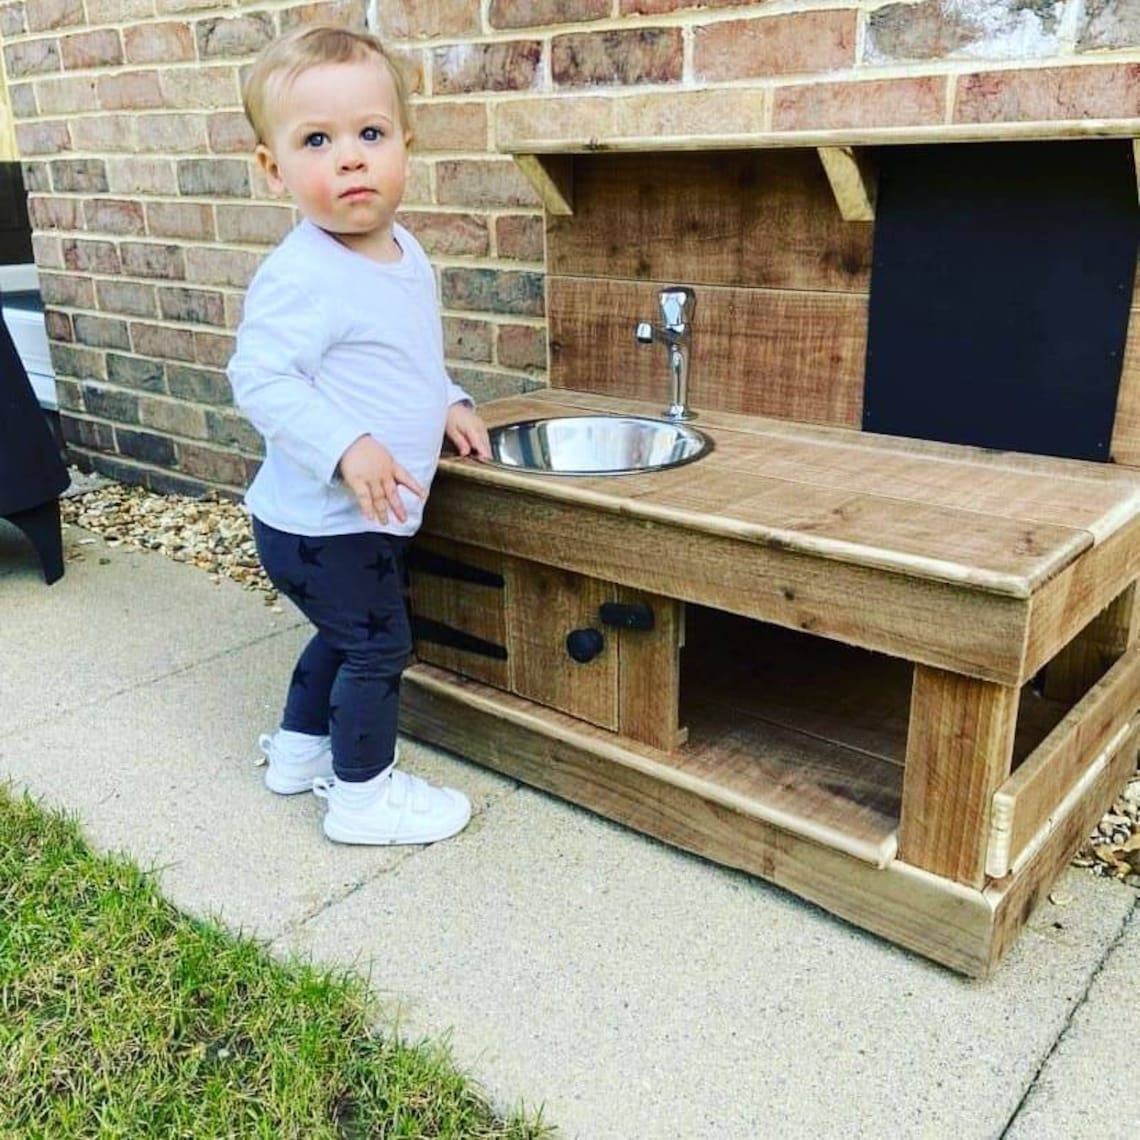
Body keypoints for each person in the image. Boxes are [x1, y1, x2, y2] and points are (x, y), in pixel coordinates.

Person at [226, 23, 490, 846]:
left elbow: (406, 358)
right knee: (379, 651)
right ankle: (362, 797)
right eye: (317, 141)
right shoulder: (303, 274)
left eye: (370, 134)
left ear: (407, 144)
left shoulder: (404, 252)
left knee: (344, 637)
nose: (349, 159)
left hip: (358, 524)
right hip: (321, 525)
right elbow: (260, 378)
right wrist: (346, 444)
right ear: (273, 168)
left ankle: (299, 754)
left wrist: (447, 401)